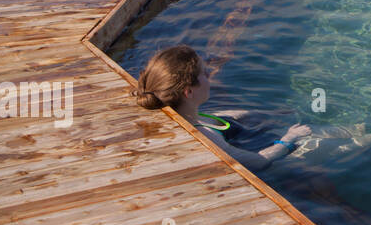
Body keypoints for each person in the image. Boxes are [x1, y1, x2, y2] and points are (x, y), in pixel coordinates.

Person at [131, 44, 309, 173]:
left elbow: (225, 117)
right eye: (203, 74)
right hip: (271, 157)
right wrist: (290, 138)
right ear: (188, 92)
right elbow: (258, 162)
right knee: (326, 137)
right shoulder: (207, 136)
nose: (209, 76)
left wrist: (271, 115)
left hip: (248, 132)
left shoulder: (186, 113)